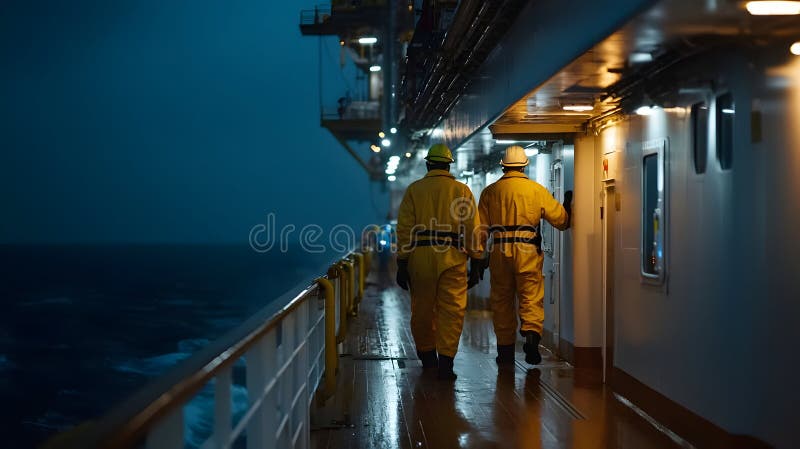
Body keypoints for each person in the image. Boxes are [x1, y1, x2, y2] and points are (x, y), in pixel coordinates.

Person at [477, 145, 572, 365]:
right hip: (527, 249)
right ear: (524, 166)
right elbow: (561, 220)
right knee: (531, 297)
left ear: (503, 167)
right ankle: (531, 337)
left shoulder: (489, 192)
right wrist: (567, 205)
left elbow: (480, 229)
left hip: (500, 250)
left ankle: (505, 352)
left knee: (502, 301)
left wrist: (478, 257)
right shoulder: (536, 190)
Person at [395, 143, 483, 380]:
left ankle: (427, 357)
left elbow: (404, 229)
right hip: (452, 256)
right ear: (449, 165)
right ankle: (446, 361)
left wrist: (402, 262)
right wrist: (476, 261)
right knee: (452, 311)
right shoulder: (462, 191)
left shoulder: (414, 190)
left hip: (420, 256)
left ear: (427, 164)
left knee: (421, 309)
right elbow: (471, 228)